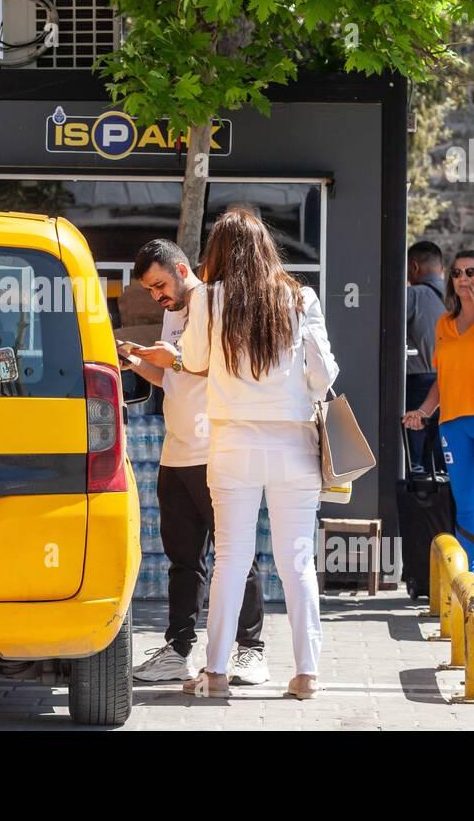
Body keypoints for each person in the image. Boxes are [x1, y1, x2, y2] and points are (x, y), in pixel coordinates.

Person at [136, 209, 338, 699]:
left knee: (229, 557)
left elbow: (198, 362)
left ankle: (217, 672)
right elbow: (326, 375)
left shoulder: (208, 298)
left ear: (217, 254)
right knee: (297, 561)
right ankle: (306, 674)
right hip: (293, 443)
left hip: (232, 444)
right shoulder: (300, 296)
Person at [122, 239, 267, 686]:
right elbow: (171, 378)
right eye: (149, 290)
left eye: (160, 285)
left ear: (183, 270)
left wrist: (177, 360)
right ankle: (179, 649)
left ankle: (252, 650)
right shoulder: (172, 313)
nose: (157, 295)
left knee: (235, 553)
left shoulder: (215, 300)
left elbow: (227, 365)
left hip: (215, 450)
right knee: (183, 560)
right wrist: (136, 360)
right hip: (176, 451)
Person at [403, 251, 474, 611]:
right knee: (466, 506)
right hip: (454, 421)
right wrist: (423, 411)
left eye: (471, 272)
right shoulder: (445, 322)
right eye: (457, 273)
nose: (464, 279)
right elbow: (443, 378)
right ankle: (466, 584)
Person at [406, 241, 446, 471]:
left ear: (414, 266)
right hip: (452, 382)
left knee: (417, 460)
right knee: (443, 458)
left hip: (419, 383)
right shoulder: (461, 299)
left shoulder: (412, 295)